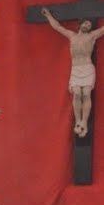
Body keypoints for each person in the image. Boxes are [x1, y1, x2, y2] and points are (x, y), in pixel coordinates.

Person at [41, 8, 104, 137]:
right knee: (76, 95)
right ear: (80, 24)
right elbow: (57, 26)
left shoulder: (92, 36)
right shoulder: (72, 35)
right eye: (85, 23)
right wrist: (48, 16)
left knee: (86, 94)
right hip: (76, 69)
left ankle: (84, 122)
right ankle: (78, 121)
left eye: (89, 25)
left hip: (87, 68)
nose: (87, 25)